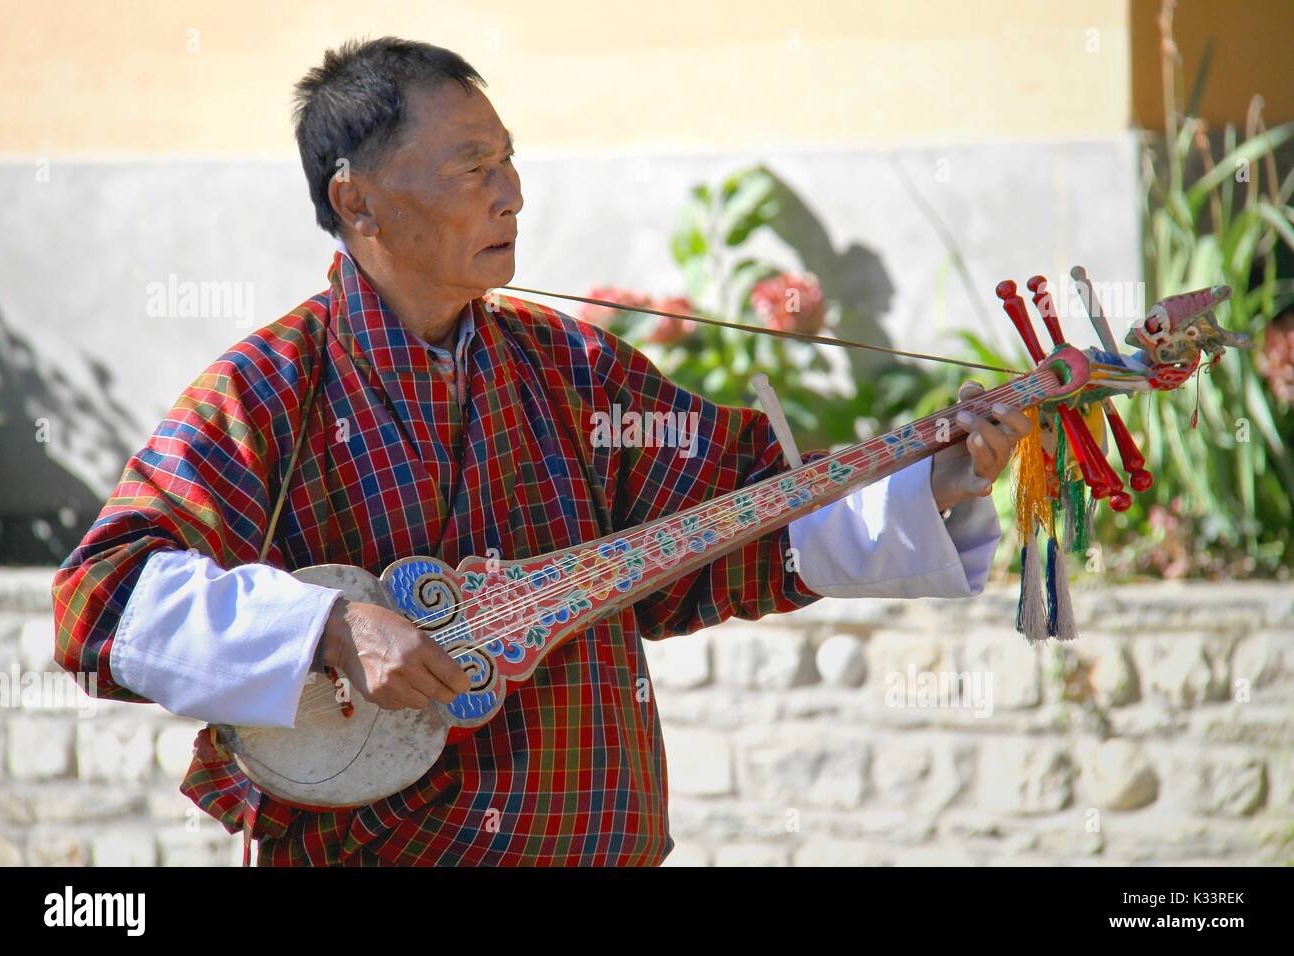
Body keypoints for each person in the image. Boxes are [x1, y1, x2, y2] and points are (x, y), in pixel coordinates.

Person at [51, 37, 1032, 866]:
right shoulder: (269, 392)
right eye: (474, 166)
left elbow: (737, 517)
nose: (512, 193)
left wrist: (931, 481)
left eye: (510, 160)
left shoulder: (574, 370)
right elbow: (100, 601)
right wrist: (328, 627)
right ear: (358, 203)